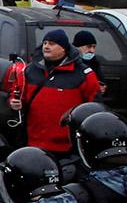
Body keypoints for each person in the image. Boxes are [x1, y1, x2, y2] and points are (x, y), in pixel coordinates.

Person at [14, 30, 100, 163]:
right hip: (33, 144)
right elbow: (18, 95)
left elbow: (95, 106)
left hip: (67, 149)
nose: (46, 46)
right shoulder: (30, 70)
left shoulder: (83, 74)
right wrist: (15, 103)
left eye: (52, 44)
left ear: (63, 48)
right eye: (45, 43)